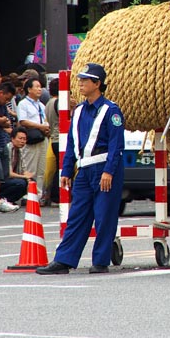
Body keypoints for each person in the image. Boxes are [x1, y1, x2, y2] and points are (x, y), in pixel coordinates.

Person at [36, 63, 125, 275]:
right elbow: (72, 144)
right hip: (84, 171)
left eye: (86, 80)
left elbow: (116, 145)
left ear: (98, 84)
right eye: (81, 79)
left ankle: (100, 261)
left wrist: (109, 171)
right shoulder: (79, 111)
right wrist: (66, 170)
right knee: (77, 216)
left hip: (104, 168)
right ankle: (64, 260)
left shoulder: (111, 110)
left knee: (104, 216)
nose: (81, 83)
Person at [17, 77, 50, 200]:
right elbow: (23, 121)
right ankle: (29, 194)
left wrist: (46, 128)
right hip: (31, 138)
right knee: (30, 167)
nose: (39, 89)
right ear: (29, 89)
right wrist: (41, 126)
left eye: (40, 86)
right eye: (36, 86)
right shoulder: (23, 104)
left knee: (42, 168)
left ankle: (39, 193)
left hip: (42, 138)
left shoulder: (41, 105)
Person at [1, 126, 35, 204]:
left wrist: (29, 177)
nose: (22, 141)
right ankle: (2, 199)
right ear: (12, 138)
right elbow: (9, 173)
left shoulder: (20, 151)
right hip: (3, 180)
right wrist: (25, 177)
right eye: (20, 138)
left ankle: (10, 200)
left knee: (31, 181)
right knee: (21, 183)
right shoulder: (7, 149)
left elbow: (24, 170)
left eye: (24, 139)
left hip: (12, 179)